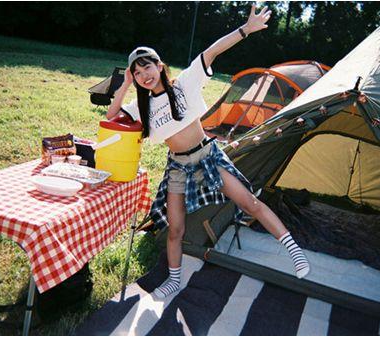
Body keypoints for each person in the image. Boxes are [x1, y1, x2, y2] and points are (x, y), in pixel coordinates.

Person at [107, 4, 309, 299]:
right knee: (176, 230)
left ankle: (294, 251)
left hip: (208, 155)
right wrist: (124, 85)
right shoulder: (142, 107)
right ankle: (174, 280)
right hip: (178, 166)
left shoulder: (185, 84)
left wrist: (245, 30)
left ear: (160, 65)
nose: (143, 75)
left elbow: (211, 52)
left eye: (147, 67)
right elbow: (112, 119)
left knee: (249, 203)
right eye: (137, 73)